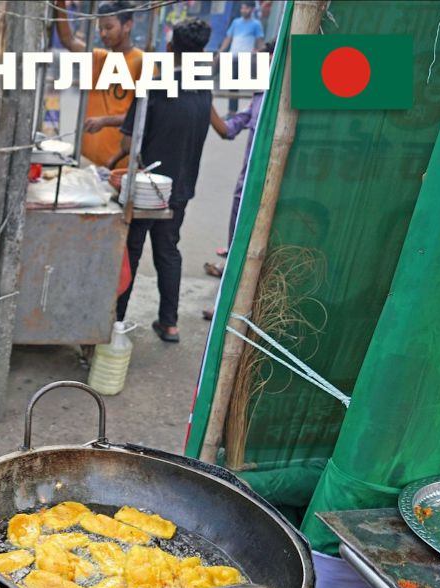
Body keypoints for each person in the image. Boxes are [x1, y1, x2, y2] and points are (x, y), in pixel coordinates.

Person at [108, 18, 214, 344]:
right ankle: (169, 324)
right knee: (168, 251)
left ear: (170, 49)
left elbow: (129, 144)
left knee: (131, 252)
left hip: (147, 190)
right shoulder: (203, 92)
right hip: (180, 187)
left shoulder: (152, 89)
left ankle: (116, 320)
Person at [204, 39, 274, 285]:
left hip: (268, 189)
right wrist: (206, 102)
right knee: (238, 241)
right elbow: (228, 130)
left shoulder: (283, 102)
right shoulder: (257, 97)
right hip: (244, 189)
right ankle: (229, 284)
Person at [53, 0, 143, 168]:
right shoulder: (99, 58)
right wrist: (60, 4)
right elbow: (68, 40)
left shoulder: (143, 63)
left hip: (117, 165)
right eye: (100, 28)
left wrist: (104, 121)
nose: (103, 34)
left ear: (127, 26)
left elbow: (143, 115)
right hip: (85, 161)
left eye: (109, 28)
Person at [219, 1, 264, 111]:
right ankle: (232, 112)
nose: (243, 11)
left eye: (246, 8)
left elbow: (260, 41)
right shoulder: (236, 22)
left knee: (253, 86)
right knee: (232, 85)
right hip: (233, 56)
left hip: (246, 58)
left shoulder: (256, 24)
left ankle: (253, 111)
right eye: (242, 8)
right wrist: (220, 52)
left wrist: (261, 53)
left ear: (252, 9)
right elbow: (228, 38)